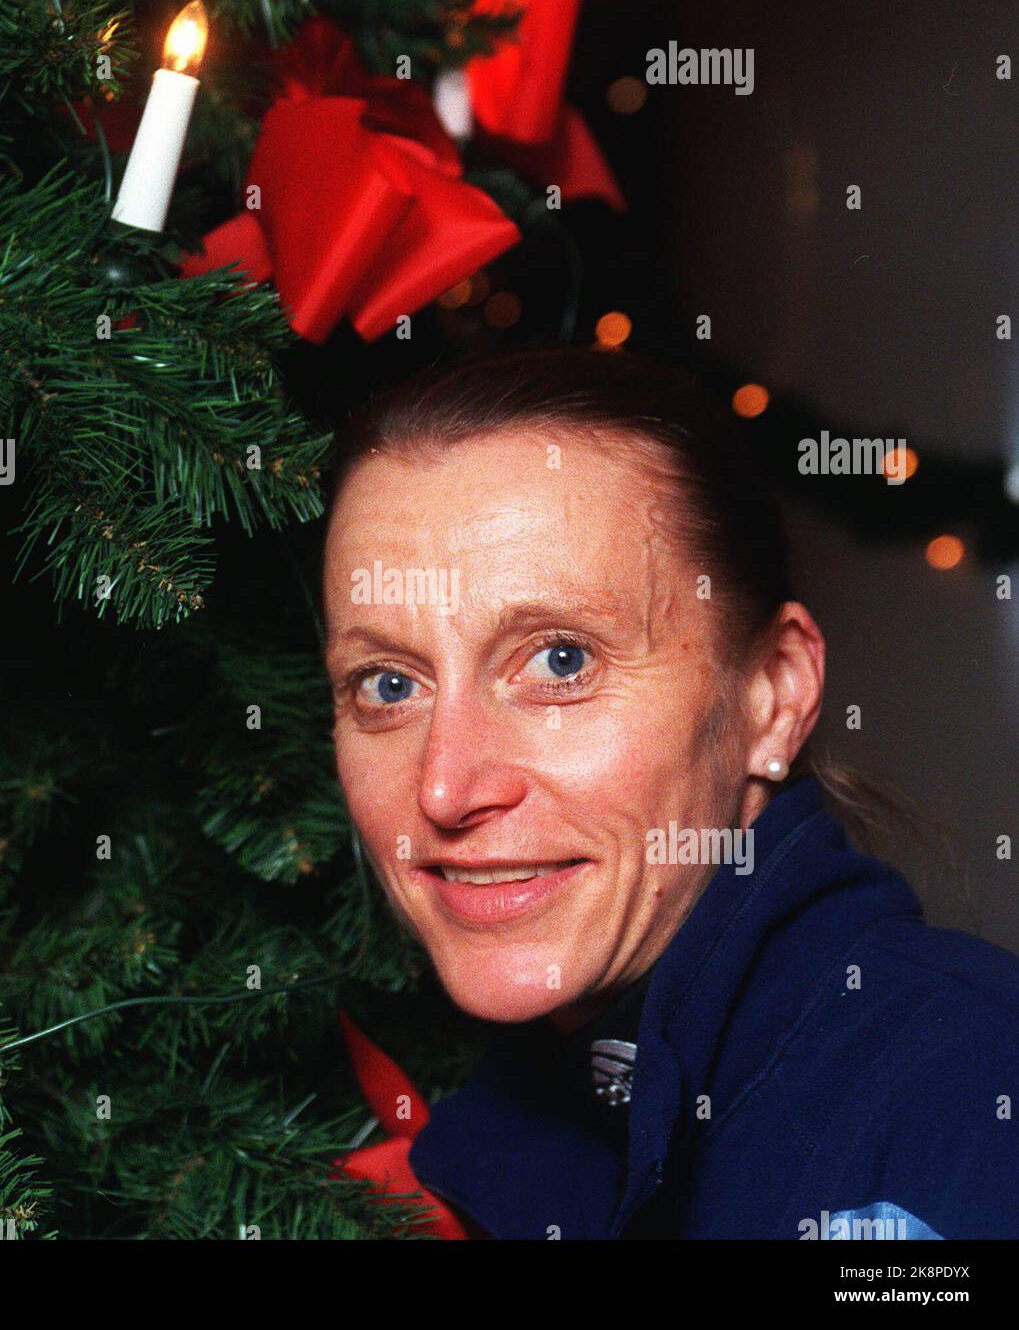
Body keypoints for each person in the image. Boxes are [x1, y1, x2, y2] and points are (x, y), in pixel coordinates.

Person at [321, 346, 1019, 1240]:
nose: (447, 786)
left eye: (560, 661)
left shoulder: (966, 1104)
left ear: (773, 696)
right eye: (386, 684)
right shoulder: (479, 1140)